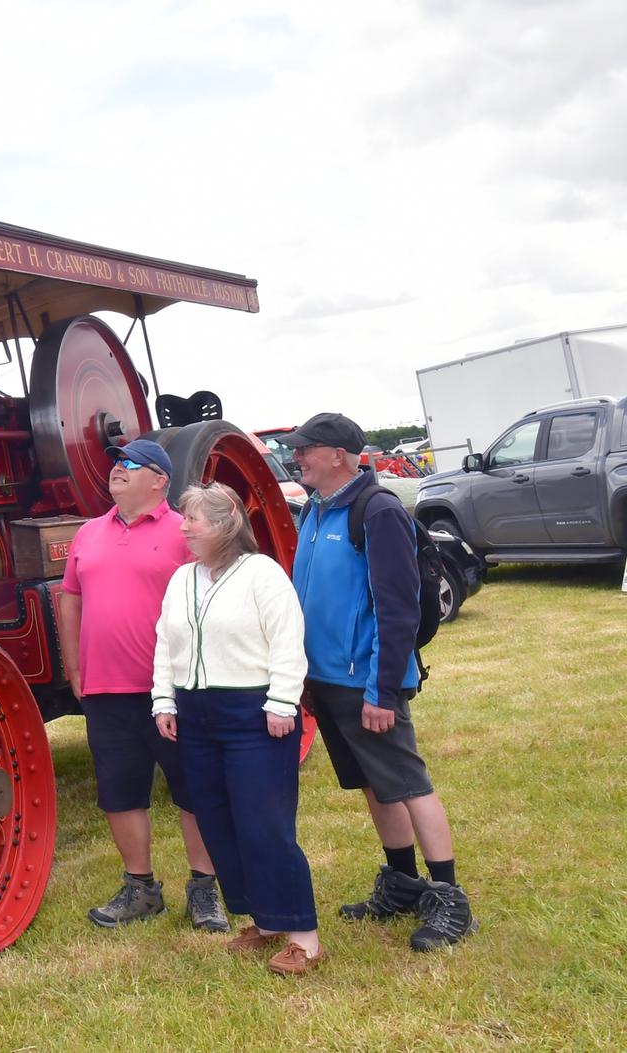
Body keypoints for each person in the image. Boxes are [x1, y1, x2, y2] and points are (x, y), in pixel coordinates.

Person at [285, 412, 474, 951]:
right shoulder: (316, 512)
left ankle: (450, 899)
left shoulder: (379, 511)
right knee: (374, 784)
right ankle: (402, 883)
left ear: (338, 455)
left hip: (368, 680)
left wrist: (382, 690)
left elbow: (396, 611)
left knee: (408, 783)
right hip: (327, 678)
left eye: (307, 449)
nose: (297, 457)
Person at [55, 437, 226, 931]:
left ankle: (205, 889)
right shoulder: (87, 533)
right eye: (115, 463)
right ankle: (140, 888)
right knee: (119, 793)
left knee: (194, 790)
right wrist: (74, 668)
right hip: (106, 690)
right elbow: (70, 599)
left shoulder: (186, 532)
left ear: (160, 480)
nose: (118, 470)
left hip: (174, 689)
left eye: (132, 464)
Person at [153, 483, 321, 975]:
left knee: (265, 825)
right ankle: (267, 922)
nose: (183, 527)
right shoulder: (182, 579)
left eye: (193, 520)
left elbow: (288, 639)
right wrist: (164, 698)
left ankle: (304, 938)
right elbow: (165, 641)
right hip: (195, 715)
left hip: (254, 713)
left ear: (225, 523)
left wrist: (282, 702)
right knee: (219, 822)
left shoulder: (262, 574)